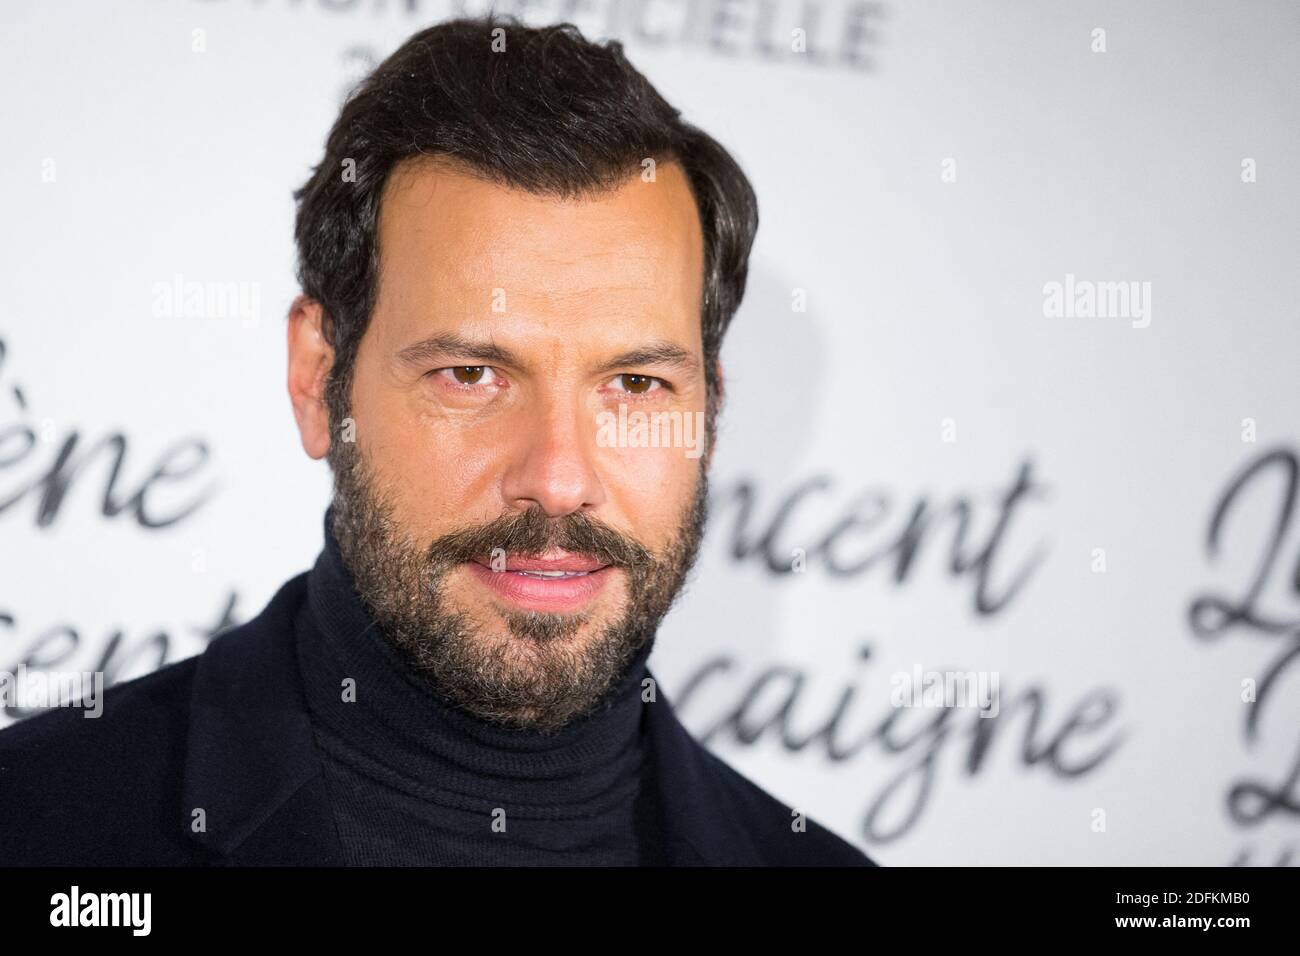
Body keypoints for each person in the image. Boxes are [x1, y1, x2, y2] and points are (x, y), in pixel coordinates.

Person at [0, 13, 873, 867]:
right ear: (317, 379)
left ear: (710, 411)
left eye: (636, 385)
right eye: (470, 377)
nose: (560, 480)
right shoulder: (37, 819)